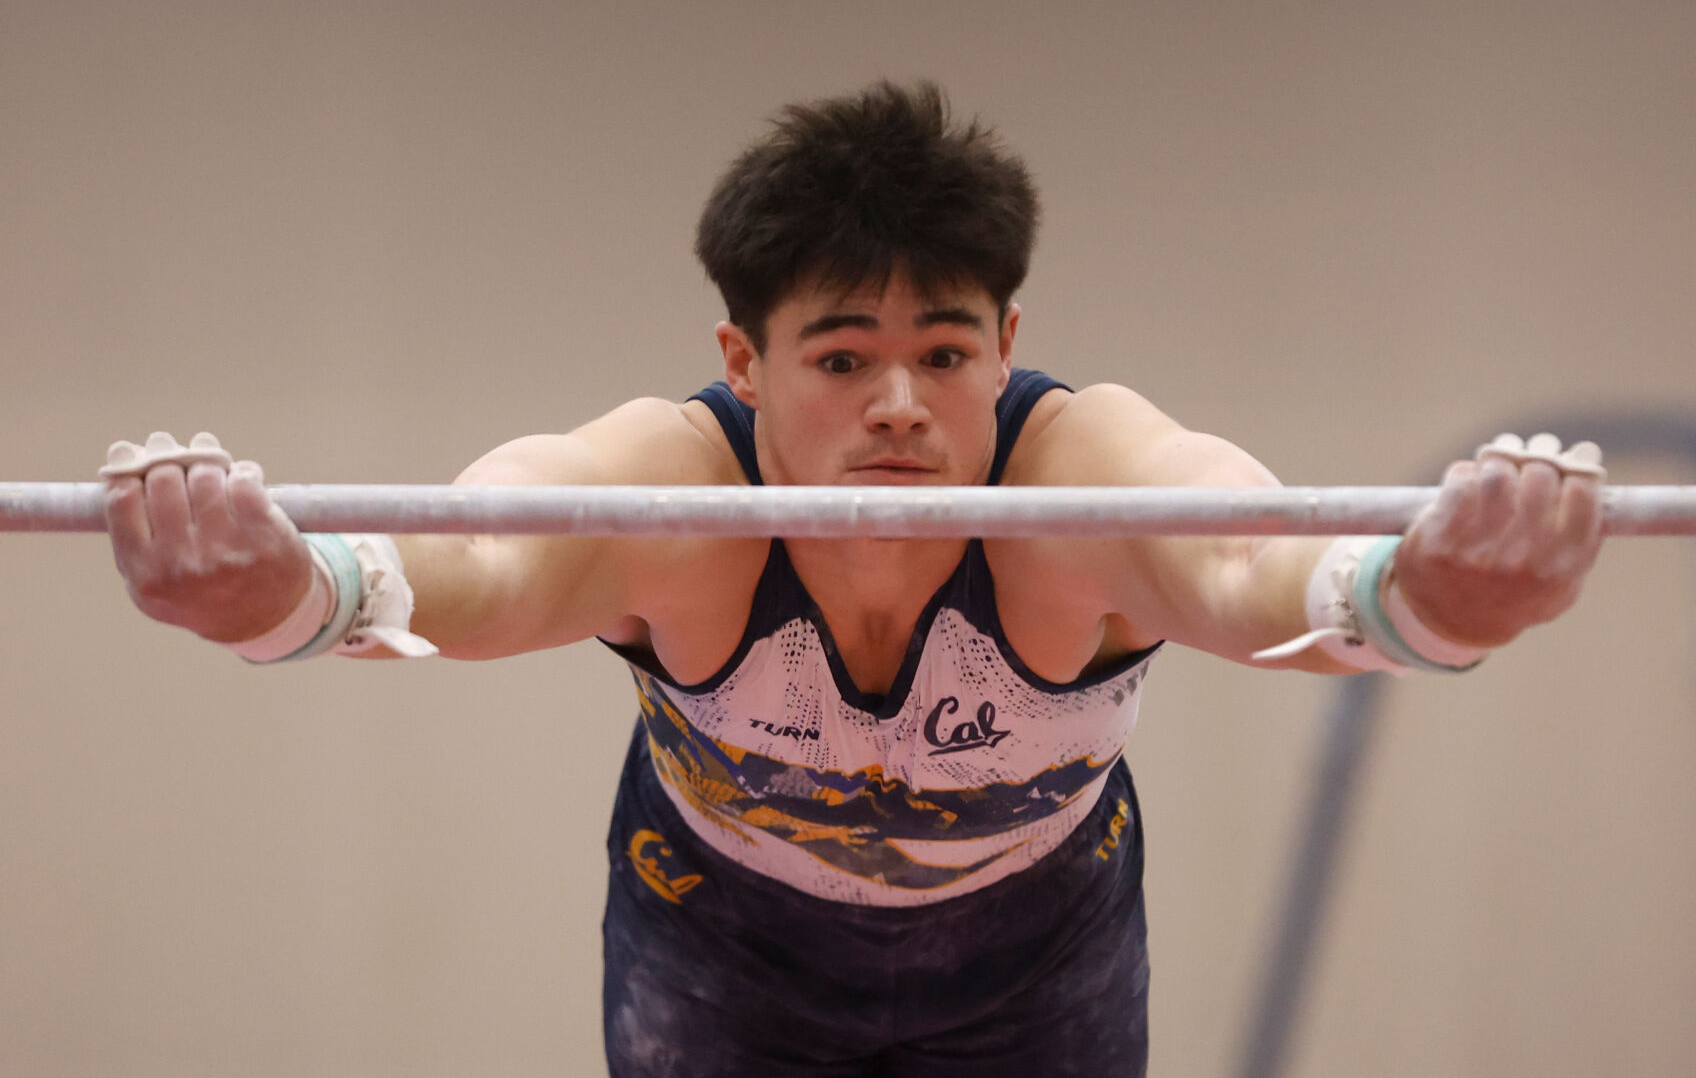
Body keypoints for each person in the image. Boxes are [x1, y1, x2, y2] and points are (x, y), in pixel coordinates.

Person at [101, 80, 1605, 1077]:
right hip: (721, 953)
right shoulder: (672, 490)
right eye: (842, 358)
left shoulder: (1082, 476)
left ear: (1009, 346)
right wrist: (295, 595)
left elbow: (1248, 570)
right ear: (744, 366)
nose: (900, 402)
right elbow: (479, 564)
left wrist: (1418, 601)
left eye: (945, 355)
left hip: (1038, 964)